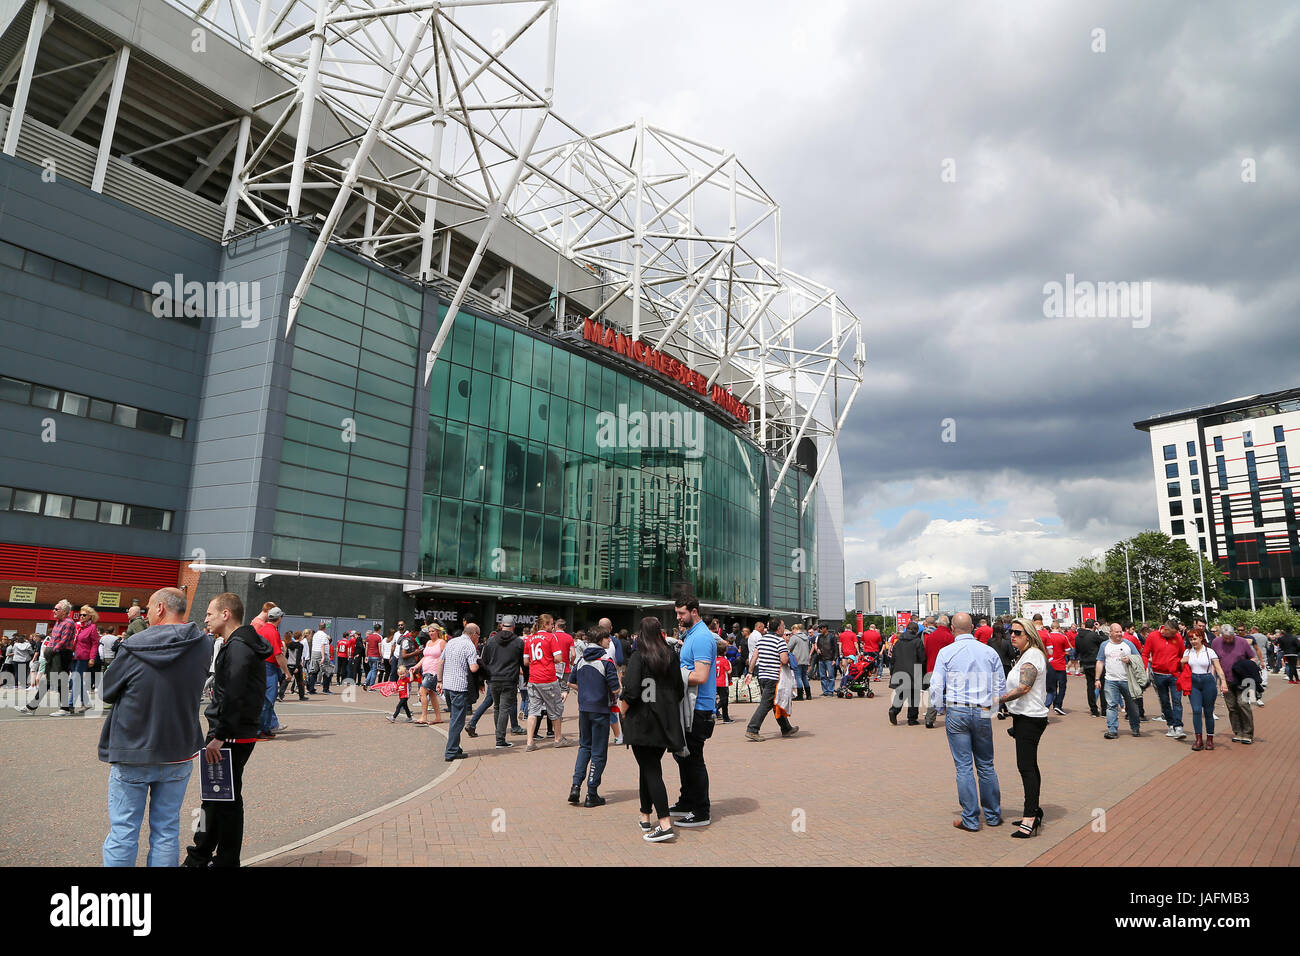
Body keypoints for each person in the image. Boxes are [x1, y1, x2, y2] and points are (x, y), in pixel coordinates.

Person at [99, 588, 211, 866]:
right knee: (166, 830)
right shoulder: (202, 644)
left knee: (124, 831)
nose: (147, 613)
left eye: (149, 608)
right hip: (179, 748)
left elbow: (106, 691)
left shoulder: (135, 645)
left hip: (133, 746)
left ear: (160, 608)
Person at [185, 592, 273, 867]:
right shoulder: (240, 644)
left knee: (224, 799)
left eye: (210, 613)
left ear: (226, 614)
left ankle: (217, 859)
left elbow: (234, 694)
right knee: (216, 798)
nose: (206, 618)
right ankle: (203, 856)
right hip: (234, 731)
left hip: (230, 735)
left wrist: (220, 736)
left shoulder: (238, 647)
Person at [929, 613, 1004, 832]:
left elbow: (936, 685)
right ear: (972, 627)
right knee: (986, 764)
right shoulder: (989, 651)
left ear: (953, 628)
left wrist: (940, 707)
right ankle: (992, 815)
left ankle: (970, 818)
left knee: (963, 766)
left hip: (957, 709)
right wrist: (994, 707)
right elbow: (1000, 684)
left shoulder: (947, 652)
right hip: (981, 711)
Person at [619, 617, 685, 843]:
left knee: (651, 770)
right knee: (648, 767)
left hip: (642, 721)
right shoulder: (670, 656)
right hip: (664, 721)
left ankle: (664, 823)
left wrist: (623, 711)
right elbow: (679, 690)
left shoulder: (639, 656)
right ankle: (645, 815)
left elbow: (631, 691)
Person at [996, 618, 1048, 838]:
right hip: (1023, 717)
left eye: (1017, 632)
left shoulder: (1033, 656)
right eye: (1011, 632)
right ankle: (1033, 811)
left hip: (1030, 718)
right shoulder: (1026, 655)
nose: (1012, 636)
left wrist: (998, 700)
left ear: (1028, 634)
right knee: (1028, 766)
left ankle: (1030, 818)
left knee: (1026, 767)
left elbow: (1024, 687)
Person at [669, 597, 717, 829]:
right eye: (677, 613)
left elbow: (701, 676)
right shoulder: (692, 635)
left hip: (699, 709)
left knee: (694, 759)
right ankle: (687, 801)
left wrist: (672, 674)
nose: (678, 617)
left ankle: (701, 811)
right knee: (684, 758)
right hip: (691, 707)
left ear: (694, 612)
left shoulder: (700, 638)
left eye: (681, 613)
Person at [567, 628, 621, 807]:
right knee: (598, 752)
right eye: (607, 638)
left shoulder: (582, 659)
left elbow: (571, 682)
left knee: (584, 747)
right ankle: (592, 793)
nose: (609, 641)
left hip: (584, 709)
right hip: (600, 710)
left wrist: (585, 691)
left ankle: (575, 786)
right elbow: (615, 689)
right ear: (601, 639)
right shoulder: (606, 661)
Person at [744, 619, 798, 740]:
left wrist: (750, 672)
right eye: (783, 626)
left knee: (775, 702)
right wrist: (790, 658)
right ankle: (752, 729)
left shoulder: (761, 640)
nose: (784, 629)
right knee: (766, 704)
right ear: (778, 628)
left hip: (762, 676)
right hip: (774, 677)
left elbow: (754, 657)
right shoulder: (780, 641)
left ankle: (786, 728)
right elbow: (784, 660)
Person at [523, 614, 569, 751]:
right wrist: (548, 659)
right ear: (545, 625)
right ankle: (558, 738)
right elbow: (558, 658)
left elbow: (526, 661)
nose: (553, 626)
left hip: (533, 678)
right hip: (548, 677)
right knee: (555, 708)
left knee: (533, 710)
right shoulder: (550, 637)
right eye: (551, 624)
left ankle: (530, 742)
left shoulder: (529, 639)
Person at [478, 615, 525, 747]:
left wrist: (481, 681)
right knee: (504, 708)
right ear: (514, 627)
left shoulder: (491, 641)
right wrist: (527, 677)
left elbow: (484, 662)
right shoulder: (518, 642)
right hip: (509, 679)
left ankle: (499, 735)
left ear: (501, 625)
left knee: (497, 707)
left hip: (493, 679)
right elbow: (523, 663)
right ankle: (500, 739)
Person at [436, 623, 481, 761]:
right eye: (478, 635)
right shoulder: (469, 646)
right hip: (459, 687)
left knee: (454, 718)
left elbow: (440, 662)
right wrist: (480, 663)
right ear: (473, 634)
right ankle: (451, 751)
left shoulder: (451, 642)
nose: (478, 638)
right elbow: (473, 668)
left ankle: (455, 746)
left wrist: (439, 680)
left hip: (448, 686)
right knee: (457, 721)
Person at [1181, 628, 1228, 751]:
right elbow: (1182, 667)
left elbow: (1218, 668)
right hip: (1194, 682)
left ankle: (1210, 739)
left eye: (1195, 638)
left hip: (1207, 681)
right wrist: (1182, 661)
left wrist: (1223, 682)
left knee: (1208, 712)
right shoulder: (1187, 652)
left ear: (1201, 638)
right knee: (1196, 710)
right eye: (1191, 639)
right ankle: (1198, 739)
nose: (1193, 641)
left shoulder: (1209, 651)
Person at [1212, 625, 1257, 746]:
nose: (1228, 640)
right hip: (1226, 680)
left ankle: (1248, 733)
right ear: (1222, 635)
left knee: (1243, 704)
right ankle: (1238, 731)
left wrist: (1245, 666)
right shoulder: (1216, 642)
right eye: (1225, 638)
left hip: (1243, 680)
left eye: (1230, 637)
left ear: (1234, 635)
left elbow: (1253, 658)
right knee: (1232, 707)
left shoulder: (1242, 642)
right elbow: (1214, 660)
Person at [1095, 623, 1142, 739]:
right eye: (1116, 632)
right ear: (1110, 632)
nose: (1119, 634)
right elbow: (1100, 661)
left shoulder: (1128, 644)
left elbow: (1138, 657)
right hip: (1111, 680)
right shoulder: (1104, 645)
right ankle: (1112, 730)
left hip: (1127, 680)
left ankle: (1135, 727)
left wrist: (1130, 659)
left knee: (1132, 706)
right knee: (1111, 705)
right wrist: (1097, 679)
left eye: (1120, 631)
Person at [1143, 620, 1186, 739]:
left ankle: (1178, 726)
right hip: (1158, 674)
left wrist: (1183, 671)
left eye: (1175, 634)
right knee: (1165, 701)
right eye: (1172, 634)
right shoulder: (1152, 636)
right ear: (1165, 630)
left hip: (1174, 675)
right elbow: (1145, 654)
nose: (1174, 636)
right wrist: (1144, 669)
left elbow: (1182, 654)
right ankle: (1171, 725)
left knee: (1177, 700)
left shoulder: (1177, 637)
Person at [255, 608, 290, 738]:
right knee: (268, 700)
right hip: (268, 668)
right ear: (279, 618)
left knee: (265, 699)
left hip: (261, 666)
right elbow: (278, 655)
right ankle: (261, 730)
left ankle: (265, 728)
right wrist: (287, 672)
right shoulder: (272, 632)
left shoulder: (262, 630)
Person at [887, 623, 926, 725]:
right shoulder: (917, 641)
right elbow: (922, 658)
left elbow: (893, 659)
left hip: (899, 671)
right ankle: (912, 719)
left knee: (901, 693)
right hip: (914, 671)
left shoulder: (898, 642)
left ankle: (894, 710)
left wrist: (892, 672)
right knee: (914, 696)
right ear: (916, 631)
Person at [922, 615, 955, 728]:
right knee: (951, 695)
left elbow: (926, 652)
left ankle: (929, 719)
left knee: (934, 695)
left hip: (931, 668)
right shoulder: (950, 637)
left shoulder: (930, 636)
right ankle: (952, 719)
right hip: (947, 671)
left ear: (938, 624)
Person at [68, 606, 100, 713]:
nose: (81, 616)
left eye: (84, 615)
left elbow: (95, 644)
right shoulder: (76, 626)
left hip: (83, 657)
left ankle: (70, 705)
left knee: (75, 678)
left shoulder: (92, 627)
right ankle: (86, 703)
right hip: (73, 656)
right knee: (78, 680)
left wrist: (92, 658)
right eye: (80, 614)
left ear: (90, 616)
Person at [1073, 619, 1106, 717]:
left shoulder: (1078, 637)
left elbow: (1077, 650)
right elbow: (1105, 639)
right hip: (1096, 663)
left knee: (1090, 687)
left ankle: (1094, 710)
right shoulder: (1093, 635)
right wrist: (1099, 630)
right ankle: (1104, 710)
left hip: (1085, 663)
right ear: (1093, 626)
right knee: (1102, 686)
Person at [416, 625, 445, 725]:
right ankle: (438, 717)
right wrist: (416, 666)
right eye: (430, 631)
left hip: (434, 672)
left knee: (422, 691)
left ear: (437, 632)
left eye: (433, 631)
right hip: (426, 671)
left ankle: (423, 716)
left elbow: (446, 657)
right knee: (432, 694)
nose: (431, 633)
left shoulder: (441, 642)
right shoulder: (428, 642)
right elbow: (425, 657)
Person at [1041, 620, 1071, 715]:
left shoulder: (1047, 636)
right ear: (1058, 627)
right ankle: (1058, 705)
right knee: (1062, 687)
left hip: (1050, 664)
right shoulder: (1063, 637)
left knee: (1051, 688)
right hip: (1060, 665)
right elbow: (1067, 651)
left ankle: (1047, 705)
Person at [787, 624, 812, 701]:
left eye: (792, 630)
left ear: (795, 629)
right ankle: (808, 695)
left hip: (797, 660)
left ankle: (800, 696)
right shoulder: (806, 637)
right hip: (805, 660)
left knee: (798, 677)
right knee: (804, 677)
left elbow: (788, 647)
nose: (792, 632)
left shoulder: (794, 637)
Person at [814, 626, 837, 697]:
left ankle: (830, 691)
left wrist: (834, 659)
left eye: (821, 628)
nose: (820, 630)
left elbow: (835, 648)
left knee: (831, 676)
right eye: (820, 628)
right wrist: (817, 649)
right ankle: (825, 691)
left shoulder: (831, 636)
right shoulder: (819, 637)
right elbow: (817, 645)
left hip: (829, 659)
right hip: (821, 658)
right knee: (822, 676)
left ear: (825, 628)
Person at [714, 640, 733, 722]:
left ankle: (726, 718)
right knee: (724, 700)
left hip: (716, 682)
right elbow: (729, 671)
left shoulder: (715, 660)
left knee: (724, 701)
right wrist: (730, 664)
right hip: (723, 682)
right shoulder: (724, 660)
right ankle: (715, 710)